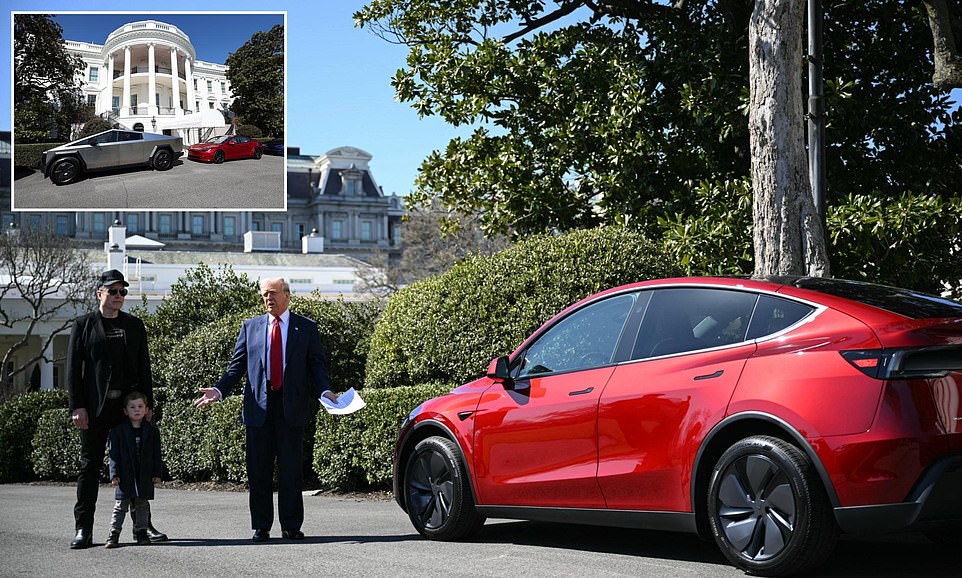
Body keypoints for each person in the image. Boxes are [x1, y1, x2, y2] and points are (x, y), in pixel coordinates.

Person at [195, 278, 337, 542]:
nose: (268, 299)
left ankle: (291, 526)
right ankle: (261, 526)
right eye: (263, 295)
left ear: (286, 295)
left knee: (291, 470)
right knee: (258, 470)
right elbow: (236, 367)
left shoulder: (305, 328)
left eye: (272, 293)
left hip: (290, 407)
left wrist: (325, 391)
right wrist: (219, 390)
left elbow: (316, 365)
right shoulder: (251, 327)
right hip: (259, 408)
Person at [67, 269, 167, 549]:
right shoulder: (83, 325)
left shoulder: (134, 325)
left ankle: (143, 526)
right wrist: (78, 406)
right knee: (90, 467)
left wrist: (147, 405)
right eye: (113, 291)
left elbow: (144, 368)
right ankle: (83, 529)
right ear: (100, 293)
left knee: (136, 466)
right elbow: (74, 371)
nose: (119, 296)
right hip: (96, 410)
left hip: (129, 409)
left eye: (123, 291)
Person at [105, 391, 164, 548]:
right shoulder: (117, 431)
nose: (136, 410)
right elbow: (114, 455)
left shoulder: (152, 431)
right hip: (125, 475)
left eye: (140, 406)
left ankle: (141, 533)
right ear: (126, 411)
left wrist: (157, 473)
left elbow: (156, 455)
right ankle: (113, 534)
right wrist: (114, 474)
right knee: (120, 505)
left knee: (142, 505)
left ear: (146, 410)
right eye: (132, 407)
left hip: (143, 474)